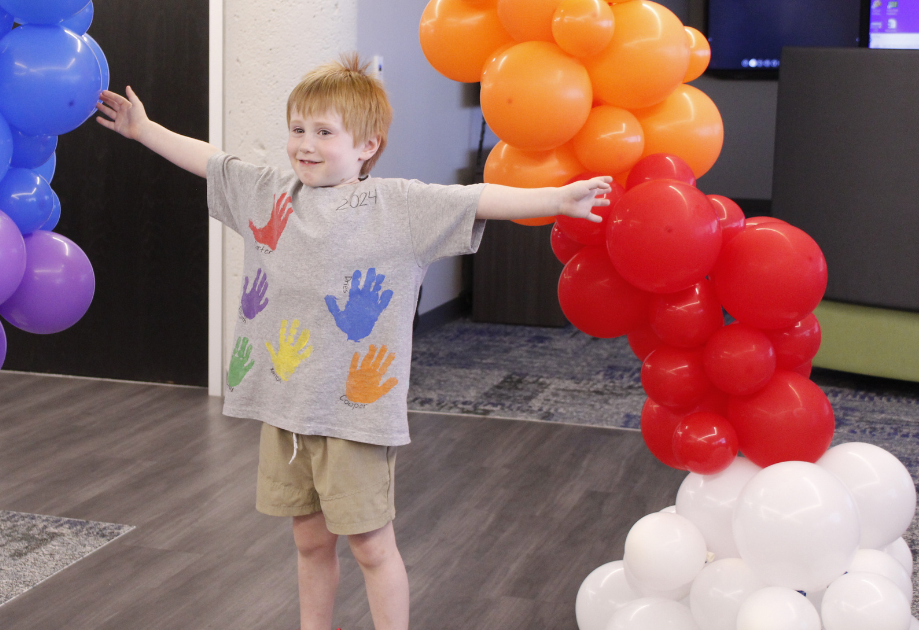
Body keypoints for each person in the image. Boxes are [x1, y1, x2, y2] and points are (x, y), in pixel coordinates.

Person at [95, 53, 609, 630]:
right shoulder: (268, 192)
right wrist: (143, 129)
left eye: (323, 132)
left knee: (370, 546)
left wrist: (558, 199)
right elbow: (212, 162)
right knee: (309, 541)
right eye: (297, 129)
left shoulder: (398, 207)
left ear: (367, 146)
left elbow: (479, 198)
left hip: (354, 418)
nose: (305, 144)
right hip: (286, 411)